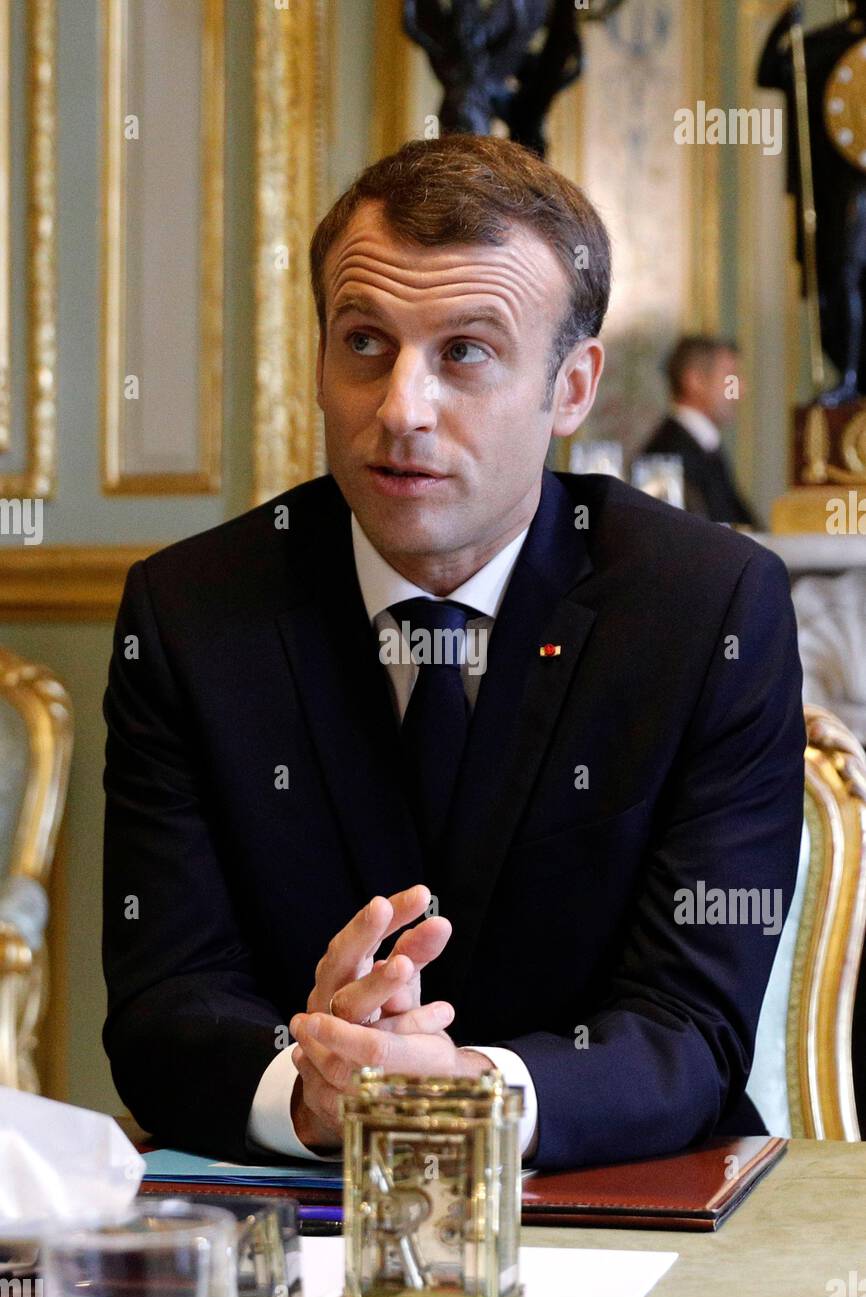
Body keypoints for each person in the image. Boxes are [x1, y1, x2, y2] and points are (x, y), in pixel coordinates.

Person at [102, 135, 805, 1171]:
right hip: (296, 1202)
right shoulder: (188, 614)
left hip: (618, 1198)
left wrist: (467, 1093)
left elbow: (689, 1025)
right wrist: (311, 1085)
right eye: (364, 342)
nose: (400, 411)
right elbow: (163, 1004)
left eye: (464, 352)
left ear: (570, 388)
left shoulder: (704, 610)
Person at [640, 336, 760, 527]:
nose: (741, 389)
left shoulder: (705, 447)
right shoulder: (669, 454)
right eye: (731, 378)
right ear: (695, 381)